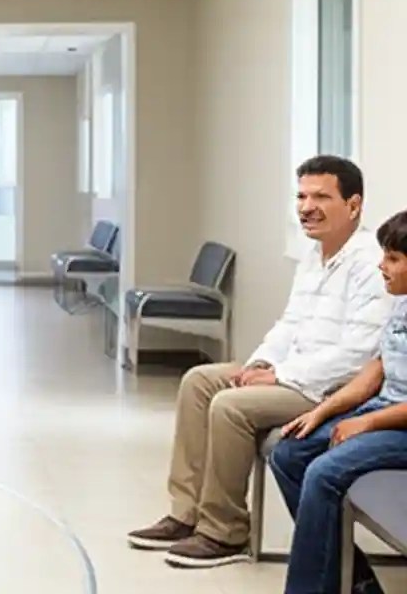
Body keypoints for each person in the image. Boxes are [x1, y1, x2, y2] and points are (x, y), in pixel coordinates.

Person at [126, 155, 394, 568]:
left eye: (321, 196)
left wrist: (278, 376)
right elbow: (289, 323)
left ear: (354, 205)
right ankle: (186, 513)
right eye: (301, 196)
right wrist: (260, 363)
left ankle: (224, 532)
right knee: (200, 381)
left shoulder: (369, 263)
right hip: (292, 374)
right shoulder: (315, 255)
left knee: (231, 406)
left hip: (331, 389)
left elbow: (358, 352)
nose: (306, 207)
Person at [269, 209, 407, 594]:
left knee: (324, 473)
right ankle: (354, 578)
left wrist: (366, 424)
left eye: (394, 258)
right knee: (288, 454)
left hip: (400, 427)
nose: (382, 266)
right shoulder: (402, 301)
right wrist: (323, 411)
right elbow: (374, 372)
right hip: (384, 411)